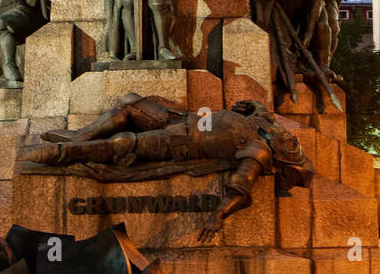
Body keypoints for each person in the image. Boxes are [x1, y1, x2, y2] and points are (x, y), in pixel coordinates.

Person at [32, 95, 314, 241]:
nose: (289, 137)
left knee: (123, 144)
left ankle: (65, 153)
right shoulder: (264, 124)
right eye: (290, 140)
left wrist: (218, 215)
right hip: (178, 119)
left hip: (179, 142)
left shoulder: (259, 151)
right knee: (130, 103)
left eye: (290, 143)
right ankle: (79, 136)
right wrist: (251, 104)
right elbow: (259, 106)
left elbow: (240, 188)